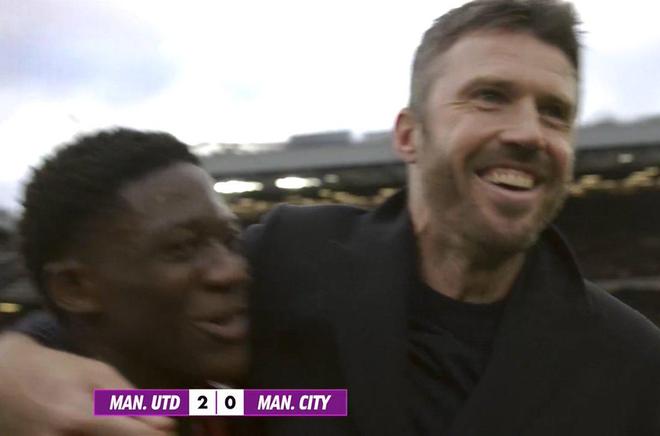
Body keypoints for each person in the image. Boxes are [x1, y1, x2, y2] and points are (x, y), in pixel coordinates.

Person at [1, 0, 659, 435]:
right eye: (489, 96)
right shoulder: (290, 257)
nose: (528, 132)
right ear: (409, 134)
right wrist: (17, 366)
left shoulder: (633, 363)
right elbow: (118, 325)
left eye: (554, 112)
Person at [4, 129, 252, 435]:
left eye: (230, 240)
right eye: (181, 248)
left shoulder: (240, 405)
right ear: (74, 288)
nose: (232, 270)